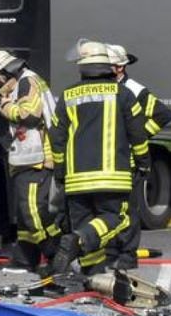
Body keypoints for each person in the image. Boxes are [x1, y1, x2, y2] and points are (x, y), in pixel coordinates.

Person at [48, 41, 149, 277]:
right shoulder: (123, 94)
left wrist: (60, 170)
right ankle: (78, 239)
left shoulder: (68, 95)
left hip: (75, 178)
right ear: (109, 67)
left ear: (82, 68)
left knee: (84, 221)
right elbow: (138, 133)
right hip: (112, 177)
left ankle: (90, 272)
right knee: (117, 218)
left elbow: (57, 136)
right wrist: (144, 162)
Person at [0, 50, 61, 273]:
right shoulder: (23, 82)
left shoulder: (27, 81)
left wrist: (4, 106)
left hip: (36, 158)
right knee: (23, 213)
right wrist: (3, 94)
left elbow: (29, 115)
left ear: (8, 71)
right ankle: (24, 258)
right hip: (26, 158)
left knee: (32, 211)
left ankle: (56, 255)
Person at [107, 43, 171, 270]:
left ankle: (127, 255)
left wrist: (140, 135)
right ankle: (112, 250)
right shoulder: (105, 87)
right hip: (110, 159)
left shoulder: (135, 90)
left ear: (119, 67)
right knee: (111, 209)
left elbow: (163, 114)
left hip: (130, 161)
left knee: (129, 211)